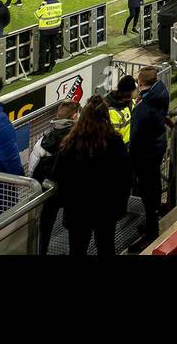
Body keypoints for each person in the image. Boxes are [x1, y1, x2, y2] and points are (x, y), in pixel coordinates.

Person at [49, 94, 131, 256]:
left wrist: (66, 202)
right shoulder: (114, 142)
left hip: (78, 210)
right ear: (105, 117)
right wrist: (120, 205)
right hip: (107, 209)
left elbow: (58, 176)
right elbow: (125, 177)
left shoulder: (70, 143)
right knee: (106, 247)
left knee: (77, 250)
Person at [26, 99, 79, 255]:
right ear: (75, 116)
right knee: (75, 226)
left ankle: (42, 250)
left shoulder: (43, 141)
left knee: (46, 224)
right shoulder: (82, 139)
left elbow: (32, 168)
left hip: (50, 190)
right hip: (73, 192)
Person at [129, 66, 170, 244]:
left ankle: (151, 232)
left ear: (141, 83)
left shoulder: (142, 109)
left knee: (148, 192)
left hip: (146, 155)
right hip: (157, 146)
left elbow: (136, 137)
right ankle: (151, 222)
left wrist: (131, 161)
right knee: (153, 186)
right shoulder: (161, 93)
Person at [34, 0, 64, 74]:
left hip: (45, 30)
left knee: (43, 50)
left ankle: (41, 69)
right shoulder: (58, 3)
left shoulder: (45, 4)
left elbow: (37, 14)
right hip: (55, 28)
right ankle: (51, 65)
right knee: (53, 48)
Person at [106, 74, 136, 144]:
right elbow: (113, 137)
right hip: (122, 147)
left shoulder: (132, 102)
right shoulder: (112, 111)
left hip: (131, 142)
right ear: (131, 92)